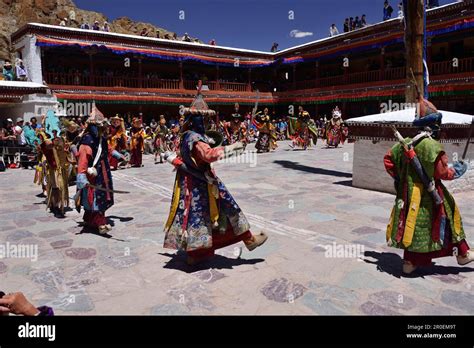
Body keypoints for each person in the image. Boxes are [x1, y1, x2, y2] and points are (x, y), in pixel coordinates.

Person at [162, 86, 268, 265]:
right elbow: (209, 155)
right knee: (227, 209)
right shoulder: (196, 139)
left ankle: (195, 254)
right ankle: (246, 240)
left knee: (201, 217)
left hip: (189, 182)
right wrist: (235, 148)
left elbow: (185, 156)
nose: (207, 122)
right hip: (203, 183)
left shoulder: (186, 136)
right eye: (205, 119)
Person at [383, 99, 473, 275]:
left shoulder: (405, 143)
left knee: (412, 225)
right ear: (434, 125)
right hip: (431, 193)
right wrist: (458, 170)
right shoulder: (431, 145)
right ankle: (462, 253)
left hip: (408, 195)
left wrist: (401, 179)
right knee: (448, 218)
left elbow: (388, 160)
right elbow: (442, 173)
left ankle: (410, 262)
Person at [76, 106, 122, 234]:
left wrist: (118, 155)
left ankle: (89, 219)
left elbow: (108, 149)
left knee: (102, 195)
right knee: (94, 197)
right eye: (99, 127)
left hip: (103, 172)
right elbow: (83, 160)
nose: (102, 129)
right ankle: (100, 222)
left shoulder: (101, 139)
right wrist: (81, 176)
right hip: (93, 174)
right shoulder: (87, 141)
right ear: (92, 126)